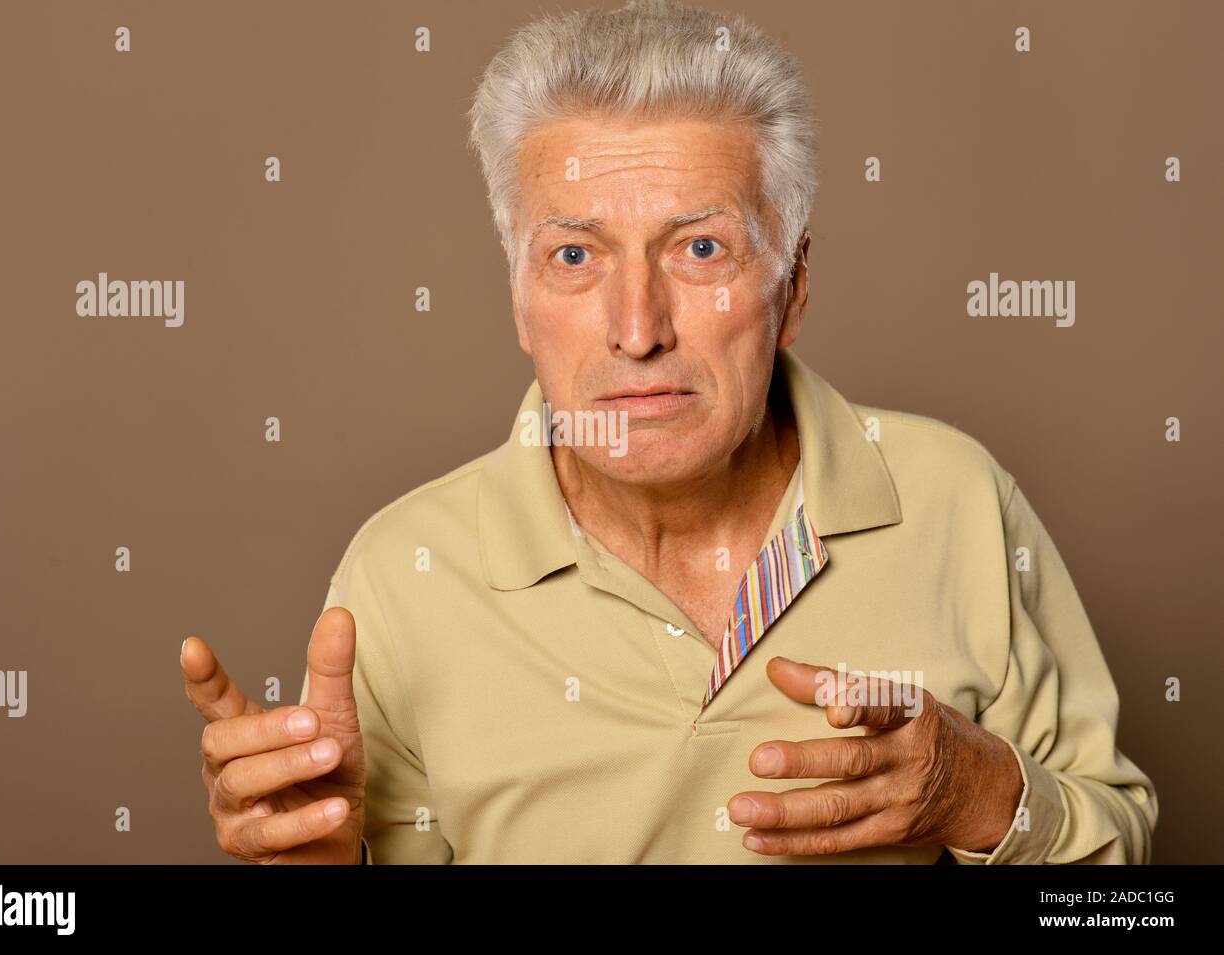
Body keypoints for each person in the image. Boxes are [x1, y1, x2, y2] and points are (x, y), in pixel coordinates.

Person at [180, 0, 1156, 864]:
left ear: (793, 286)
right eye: (573, 254)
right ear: (519, 299)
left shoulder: (955, 498)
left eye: (700, 248)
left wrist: (984, 798)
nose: (637, 328)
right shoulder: (403, 573)